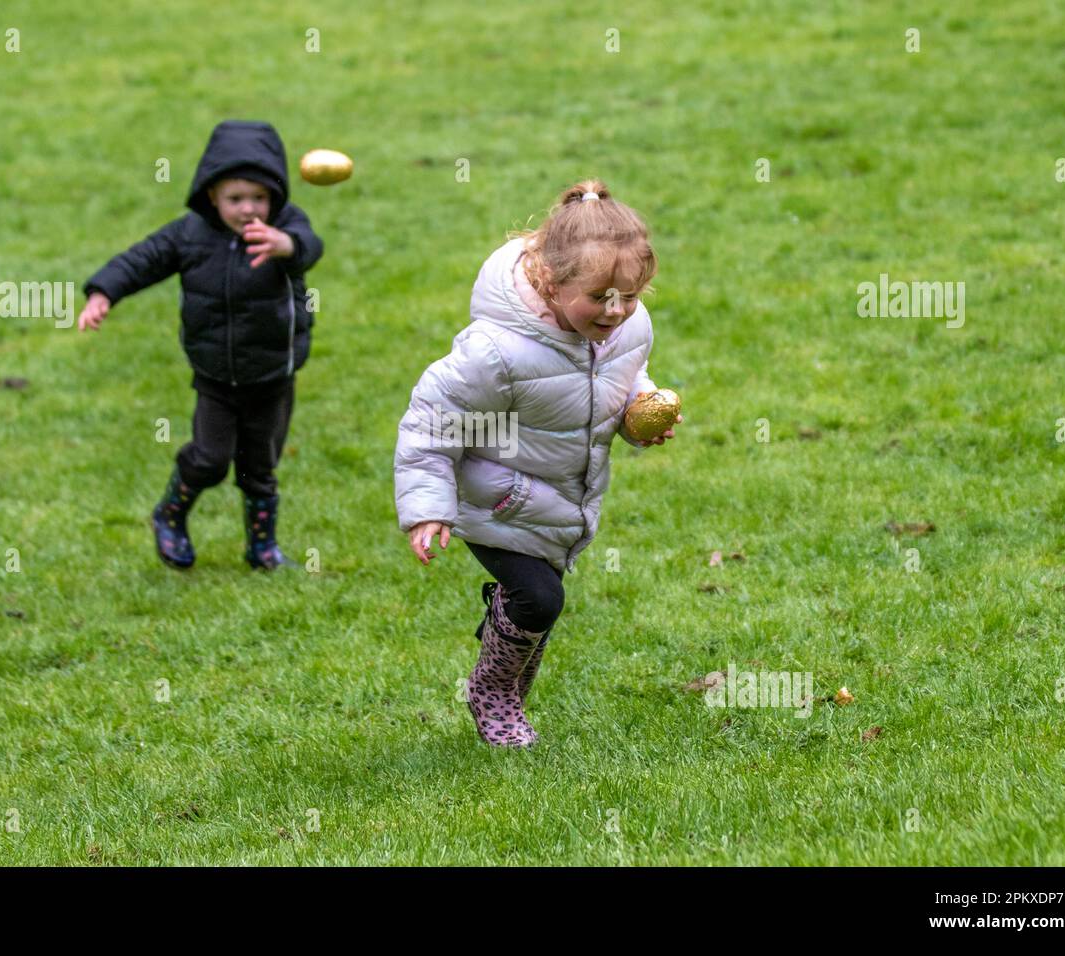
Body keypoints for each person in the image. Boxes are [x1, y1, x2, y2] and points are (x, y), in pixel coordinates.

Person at [394, 179, 681, 748]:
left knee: (536, 604)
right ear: (552, 282)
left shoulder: (628, 324)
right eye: (600, 297)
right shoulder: (496, 351)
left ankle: (506, 684)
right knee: (540, 599)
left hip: (556, 497)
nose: (617, 310)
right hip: (491, 493)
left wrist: (634, 412)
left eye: (630, 295)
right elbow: (432, 420)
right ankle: (491, 693)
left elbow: (624, 375)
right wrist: (429, 508)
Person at [78, 121, 323, 571]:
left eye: (259, 197)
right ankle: (169, 515)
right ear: (211, 195)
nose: (248, 209)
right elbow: (143, 259)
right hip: (215, 377)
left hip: (272, 374)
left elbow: (310, 246)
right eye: (235, 199)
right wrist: (103, 292)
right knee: (209, 458)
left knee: (260, 468)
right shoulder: (190, 234)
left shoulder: (285, 228)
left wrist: (284, 244)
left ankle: (262, 549)